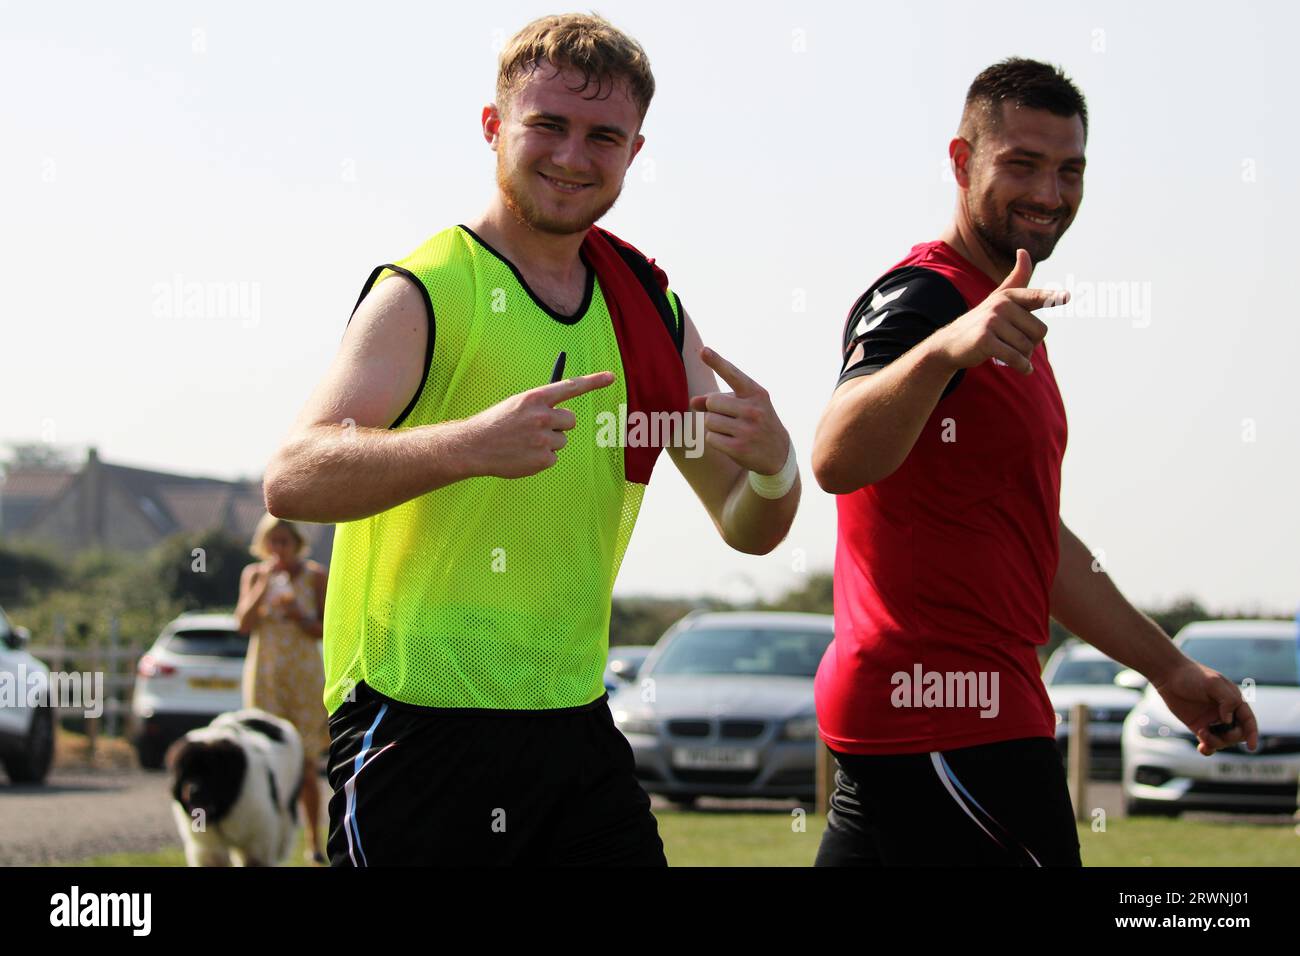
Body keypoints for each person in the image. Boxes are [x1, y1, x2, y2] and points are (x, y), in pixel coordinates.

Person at [262, 13, 800, 866]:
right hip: (414, 722)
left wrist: (776, 469)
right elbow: (293, 475)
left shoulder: (649, 308)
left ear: (634, 150)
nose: (573, 156)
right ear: (493, 126)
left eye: (603, 136)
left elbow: (747, 525)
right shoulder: (427, 288)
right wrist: (467, 445)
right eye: (548, 125)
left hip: (574, 727)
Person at [810, 58, 1259, 866]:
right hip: (950, 721)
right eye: (1022, 164)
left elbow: (1031, 538)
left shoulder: (999, 314)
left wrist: (1169, 669)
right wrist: (945, 348)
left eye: (1069, 170)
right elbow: (836, 457)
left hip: (953, 720)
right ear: (961, 162)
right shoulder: (928, 298)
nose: (1050, 194)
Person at [233, 512, 330, 865]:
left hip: (303, 677)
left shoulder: (315, 576)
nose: (278, 549)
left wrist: (300, 615)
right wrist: (262, 587)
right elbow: (242, 624)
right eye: (272, 542)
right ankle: (271, 841)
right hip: (266, 675)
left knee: (305, 763)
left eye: (284, 542)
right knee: (267, 762)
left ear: (296, 543)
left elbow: (327, 628)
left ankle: (314, 842)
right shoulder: (254, 574)